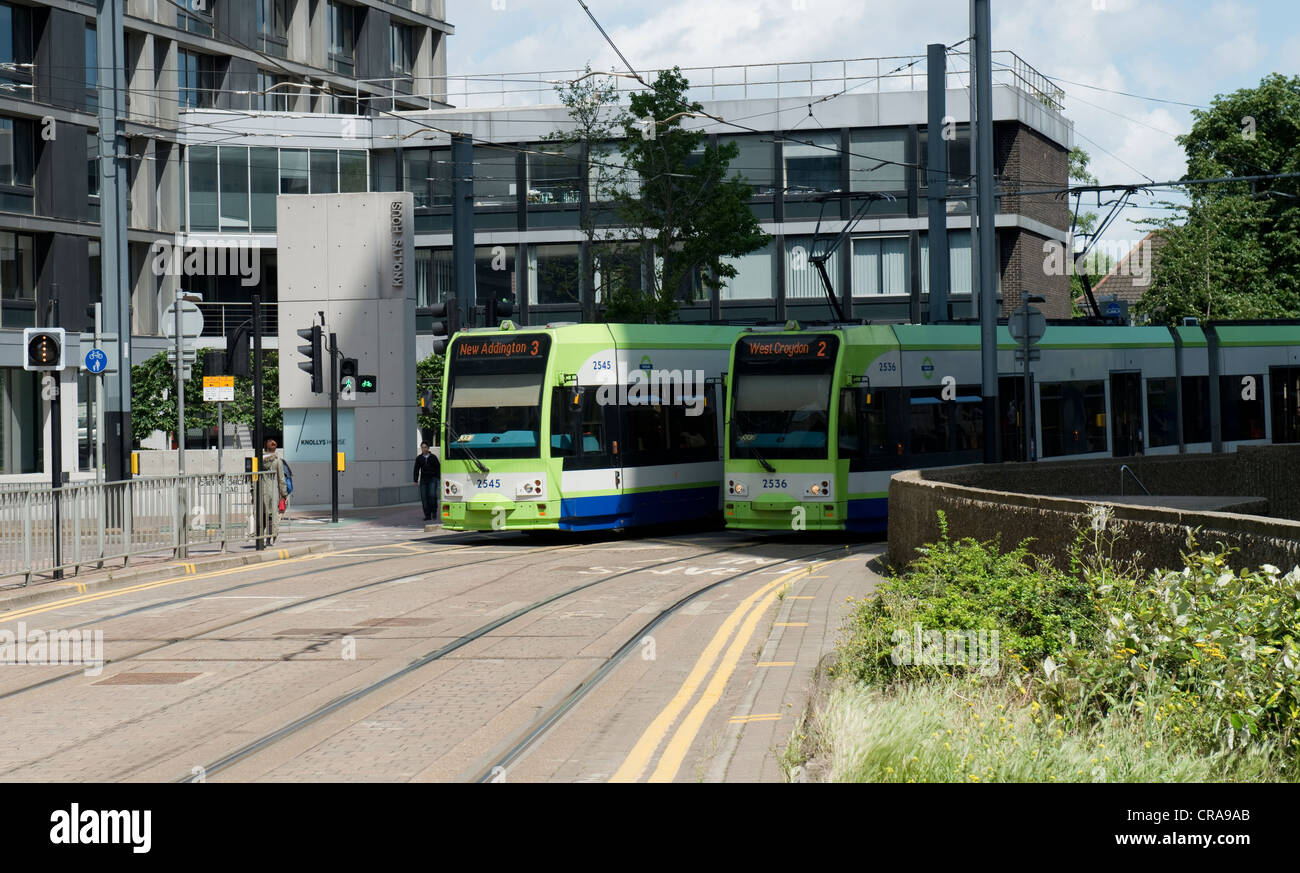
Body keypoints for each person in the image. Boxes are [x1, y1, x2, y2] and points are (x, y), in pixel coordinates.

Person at [258, 438, 288, 545]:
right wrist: (284, 494)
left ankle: (260, 538)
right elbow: (282, 480)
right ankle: (270, 539)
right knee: (272, 516)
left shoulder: (258, 460)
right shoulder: (277, 462)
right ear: (274, 448)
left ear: (265, 447)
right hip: (273, 493)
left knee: (262, 515)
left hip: (260, 492)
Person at [414, 442, 440, 522]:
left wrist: (438, 477)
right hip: (423, 480)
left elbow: (438, 467)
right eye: (422, 447)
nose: (423, 449)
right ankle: (427, 515)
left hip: (433, 479)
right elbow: (416, 469)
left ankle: (434, 511)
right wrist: (415, 480)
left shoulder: (433, 457)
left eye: (425, 447)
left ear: (428, 448)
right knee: (424, 498)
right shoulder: (419, 458)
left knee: (432, 495)